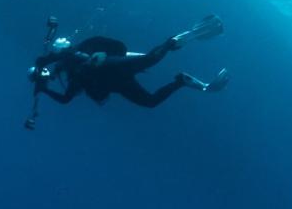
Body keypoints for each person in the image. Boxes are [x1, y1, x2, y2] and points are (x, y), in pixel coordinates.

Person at [24, 15, 227, 128]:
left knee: (150, 59)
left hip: (110, 66)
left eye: (40, 74)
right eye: (40, 77)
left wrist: (43, 62)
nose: (44, 77)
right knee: (150, 102)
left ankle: (182, 38)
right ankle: (181, 81)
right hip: (116, 83)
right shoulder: (69, 80)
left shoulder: (66, 60)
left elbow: (64, 55)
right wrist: (44, 90)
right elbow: (66, 100)